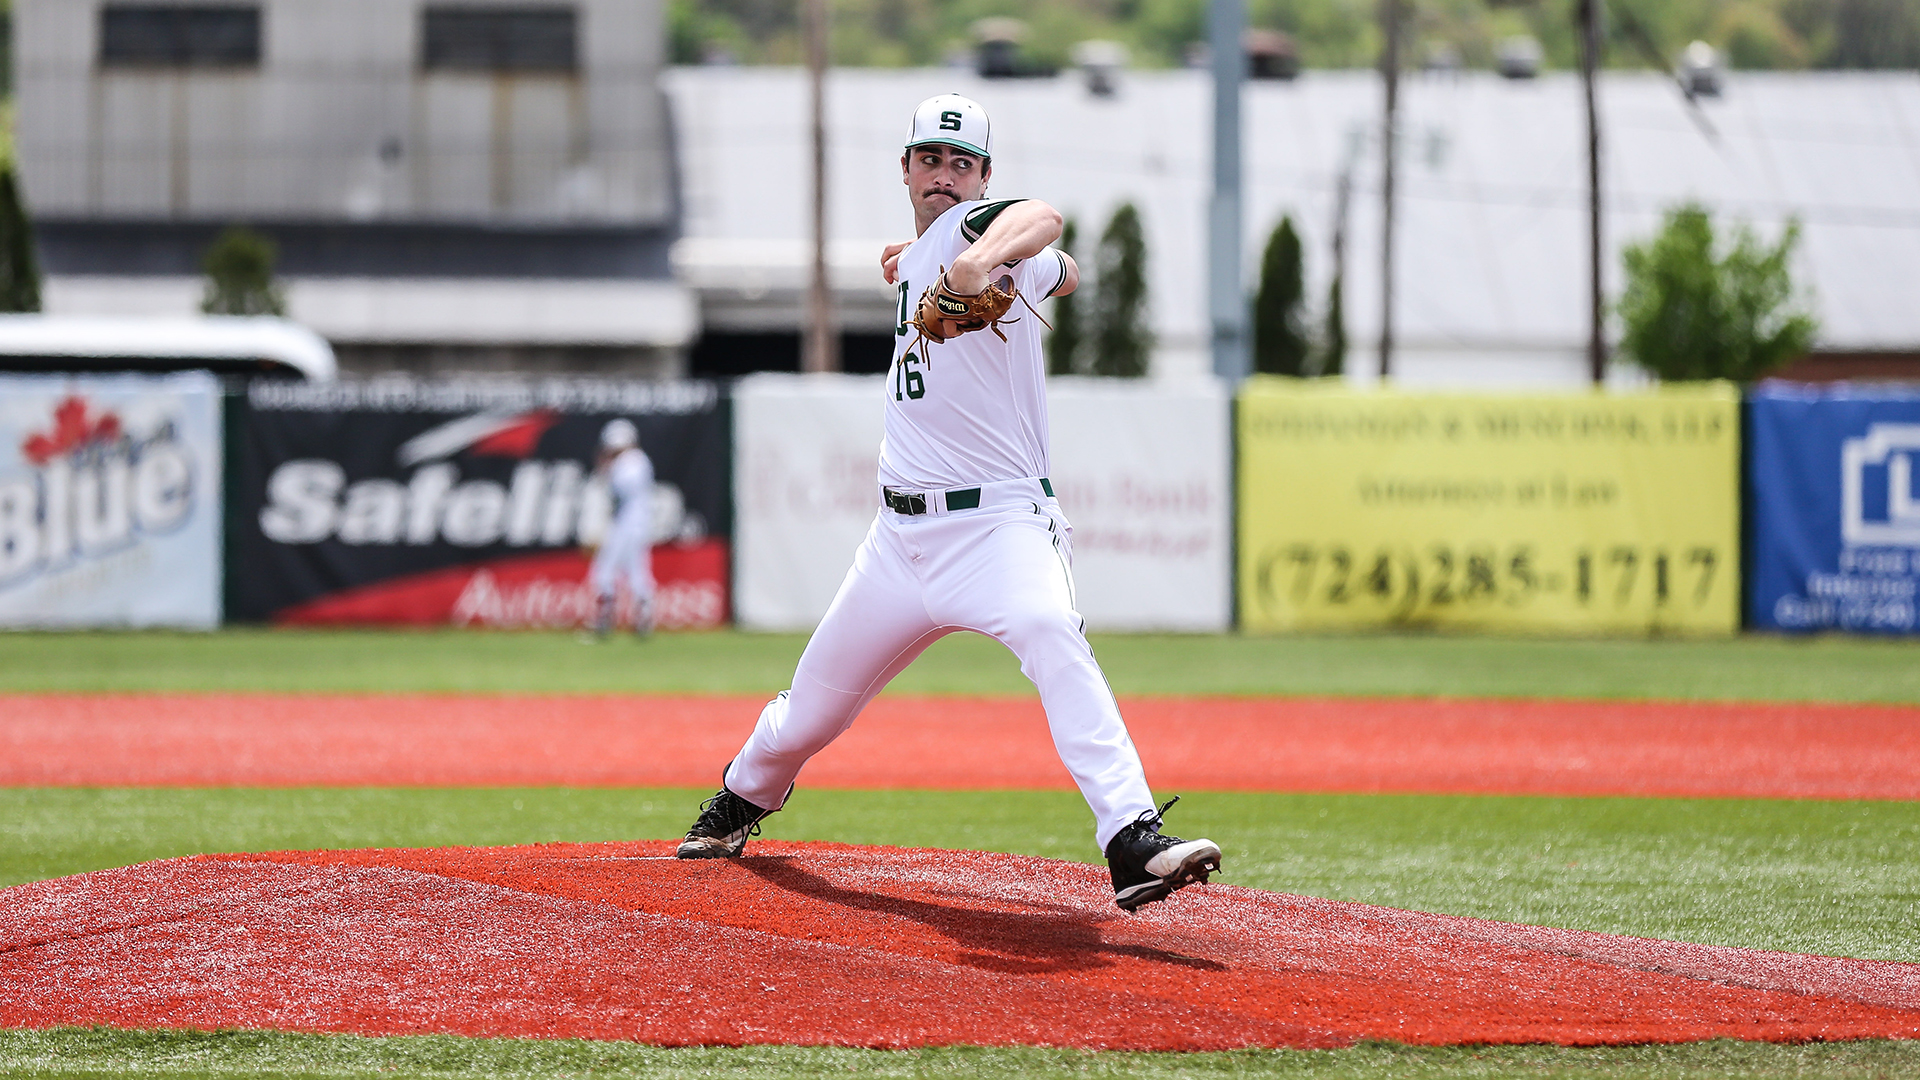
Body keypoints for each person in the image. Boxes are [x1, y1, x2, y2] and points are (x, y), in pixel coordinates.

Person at [674, 93, 1221, 911]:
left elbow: (1044, 221)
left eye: (961, 163)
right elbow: (1060, 274)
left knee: (1047, 628)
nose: (943, 173)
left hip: (1000, 525)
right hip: (898, 541)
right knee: (807, 716)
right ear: (905, 169)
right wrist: (929, 260)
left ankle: (1132, 838)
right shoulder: (921, 252)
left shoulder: (984, 234)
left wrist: (975, 264)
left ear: (983, 178)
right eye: (929, 158)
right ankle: (742, 799)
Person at [589, 418, 655, 637]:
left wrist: (607, 468)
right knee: (633, 573)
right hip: (631, 524)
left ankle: (607, 620)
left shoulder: (633, 461)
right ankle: (637, 620)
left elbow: (620, 488)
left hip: (629, 525)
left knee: (608, 571)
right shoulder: (635, 460)